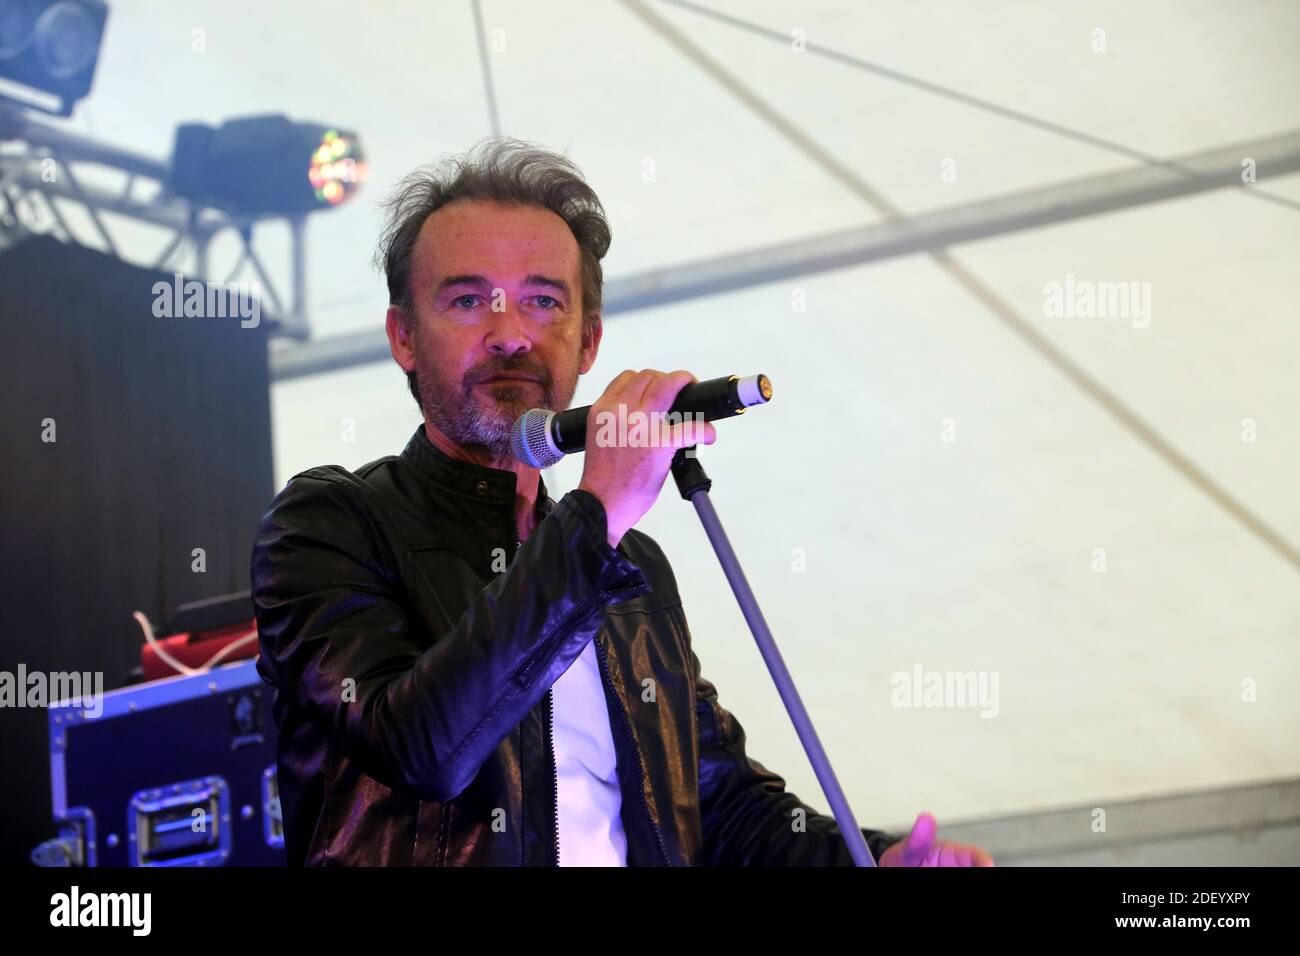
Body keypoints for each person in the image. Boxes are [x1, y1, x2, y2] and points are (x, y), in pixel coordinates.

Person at [251, 137, 994, 867]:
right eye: (469, 299)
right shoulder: (330, 523)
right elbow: (419, 747)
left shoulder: (625, 565)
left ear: (588, 342)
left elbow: (717, 803)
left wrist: (869, 858)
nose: (511, 335)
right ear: (404, 337)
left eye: (544, 301)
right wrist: (595, 517)